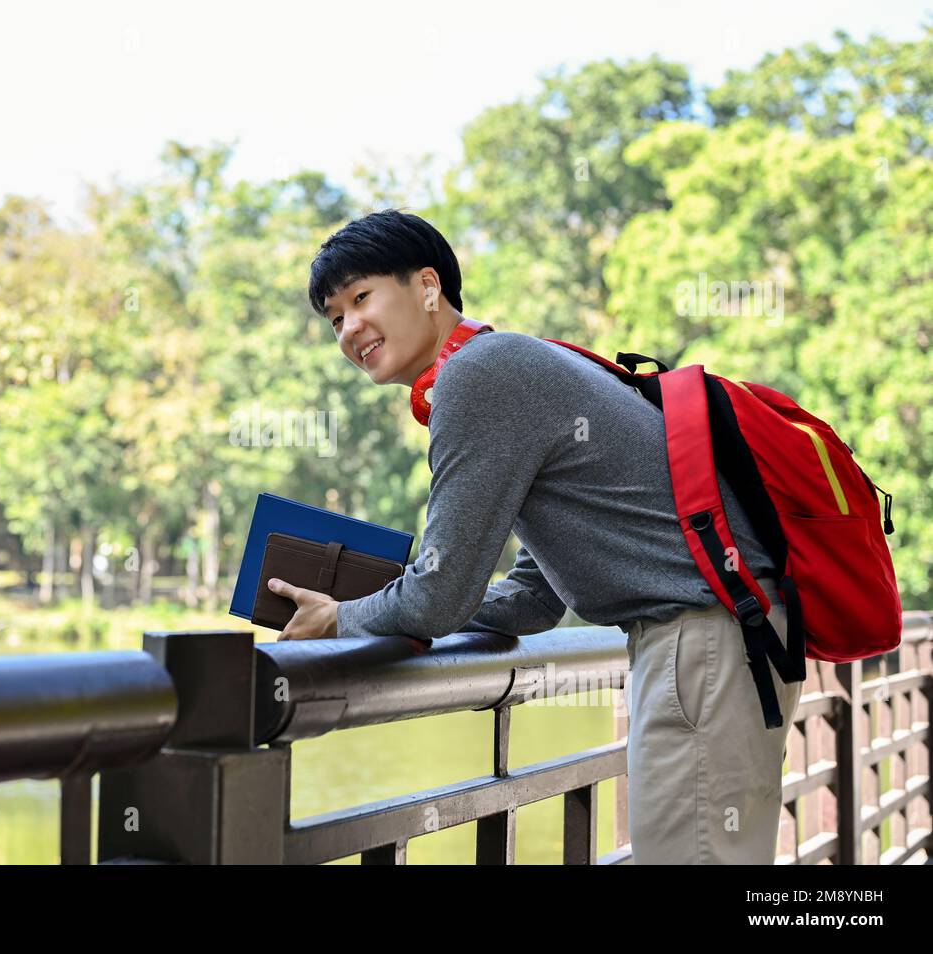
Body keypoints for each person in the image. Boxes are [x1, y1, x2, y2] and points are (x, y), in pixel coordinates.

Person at [267, 208, 801, 864]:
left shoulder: (478, 375)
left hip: (703, 641)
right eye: (334, 318)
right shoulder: (509, 361)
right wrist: (408, 603)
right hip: (721, 637)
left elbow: (438, 599)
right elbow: (532, 600)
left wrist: (343, 617)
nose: (350, 328)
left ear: (429, 286)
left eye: (361, 297)